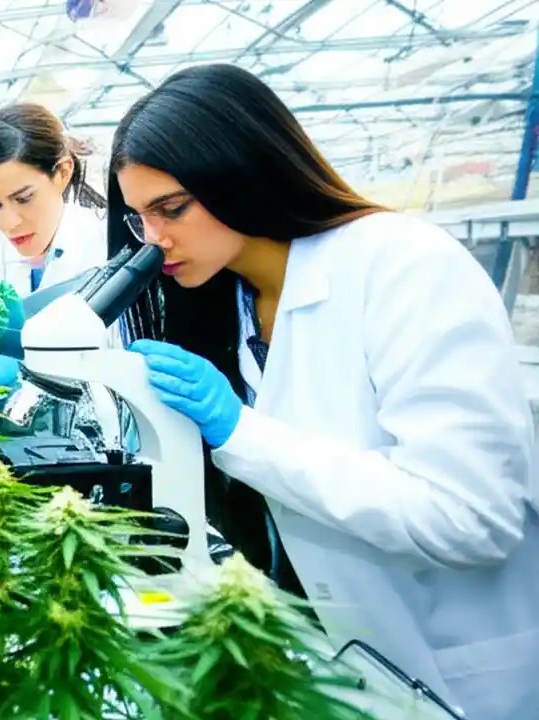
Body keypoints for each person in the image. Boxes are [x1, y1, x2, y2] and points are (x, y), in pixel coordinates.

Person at [110, 63, 538, 720]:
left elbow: (471, 516)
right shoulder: (232, 303)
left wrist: (242, 434)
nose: (155, 240)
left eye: (171, 209)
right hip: (352, 659)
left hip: (468, 678)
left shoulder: (404, 267)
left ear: (242, 170)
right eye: (140, 217)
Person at [0, 103, 110, 392]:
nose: (9, 222)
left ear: (62, 173)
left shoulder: (103, 251)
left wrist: (29, 379)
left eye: (24, 198)